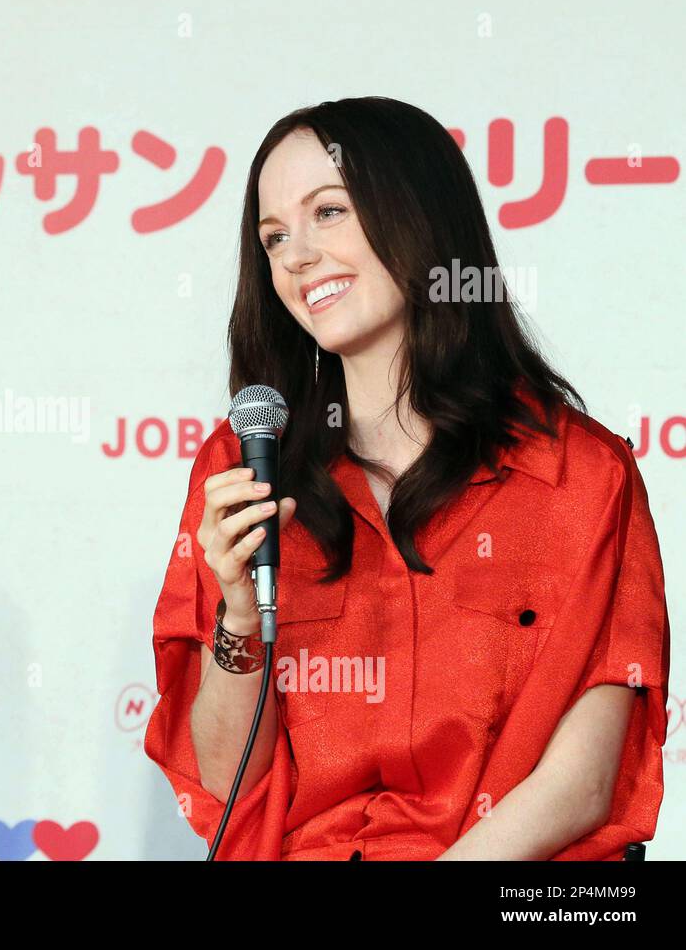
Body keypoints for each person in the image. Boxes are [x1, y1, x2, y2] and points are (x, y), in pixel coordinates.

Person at [144, 96, 670, 860]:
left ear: (420, 215)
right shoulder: (246, 465)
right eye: (273, 236)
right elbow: (228, 785)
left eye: (328, 212)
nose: (295, 256)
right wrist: (240, 614)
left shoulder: (581, 474)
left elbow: (584, 782)